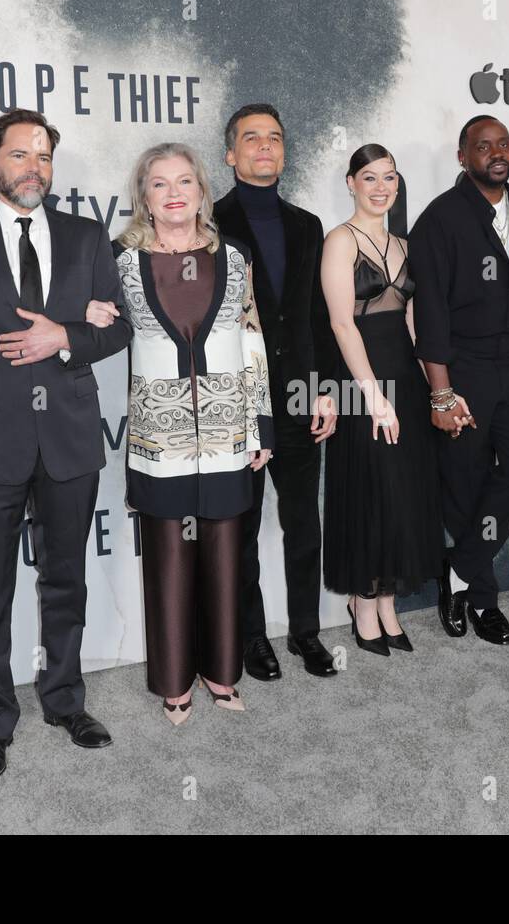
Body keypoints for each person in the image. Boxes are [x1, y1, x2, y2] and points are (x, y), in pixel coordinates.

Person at [0, 108, 132, 783]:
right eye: (19, 156)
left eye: (44, 157)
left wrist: (64, 335)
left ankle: (66, 700)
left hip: (68, 439)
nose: (33, 168)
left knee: (67, 581)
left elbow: (117, 329)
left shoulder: (87, 237)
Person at [85, 143, 273, 724]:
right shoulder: (117, 259)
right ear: (144, 194)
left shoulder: (233, 256)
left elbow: (252, 338)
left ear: (201, 191)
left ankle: (221, 672)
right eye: (160, 183)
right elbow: (94, 324)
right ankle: (174, 683)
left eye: (185, 181)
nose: (174, 193)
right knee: (167, 558)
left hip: (227, 430)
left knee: (224, 554)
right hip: (157, 440)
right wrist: (87, 315)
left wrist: (260, 422)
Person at [409, 115, 509, 645]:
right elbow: (430, 316)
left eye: (504, 143)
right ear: (462, 156)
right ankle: (484, 598)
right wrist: (442, 393)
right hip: (462, 369)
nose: (496, 152)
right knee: (466, 485)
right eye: (483, 146)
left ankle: (458, 570)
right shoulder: (440, 219)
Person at [212, 103, 339, 681]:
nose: (265, 146)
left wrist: (324, 391)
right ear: (230, 154)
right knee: (240, 528)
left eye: (275, 139)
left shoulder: (307, 225)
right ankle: (252, 638)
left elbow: (317, 318)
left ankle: (306, 633)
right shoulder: (208, 225)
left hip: (299, 398)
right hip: (241, 404)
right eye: (252, 139)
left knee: (302, 524)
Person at [319, 144, 443, 655]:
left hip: (405, 377)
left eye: (389, 177)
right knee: (369, 489)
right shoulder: (339, 241)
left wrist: (429, 385)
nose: (380, 187)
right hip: (361, 380)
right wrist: (373, 396)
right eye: (369, 177)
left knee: (402, 492)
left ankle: (388, 600)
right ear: (351, 183)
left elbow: (412, 319)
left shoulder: (405, 244)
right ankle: (362, 601)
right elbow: (341, 324)